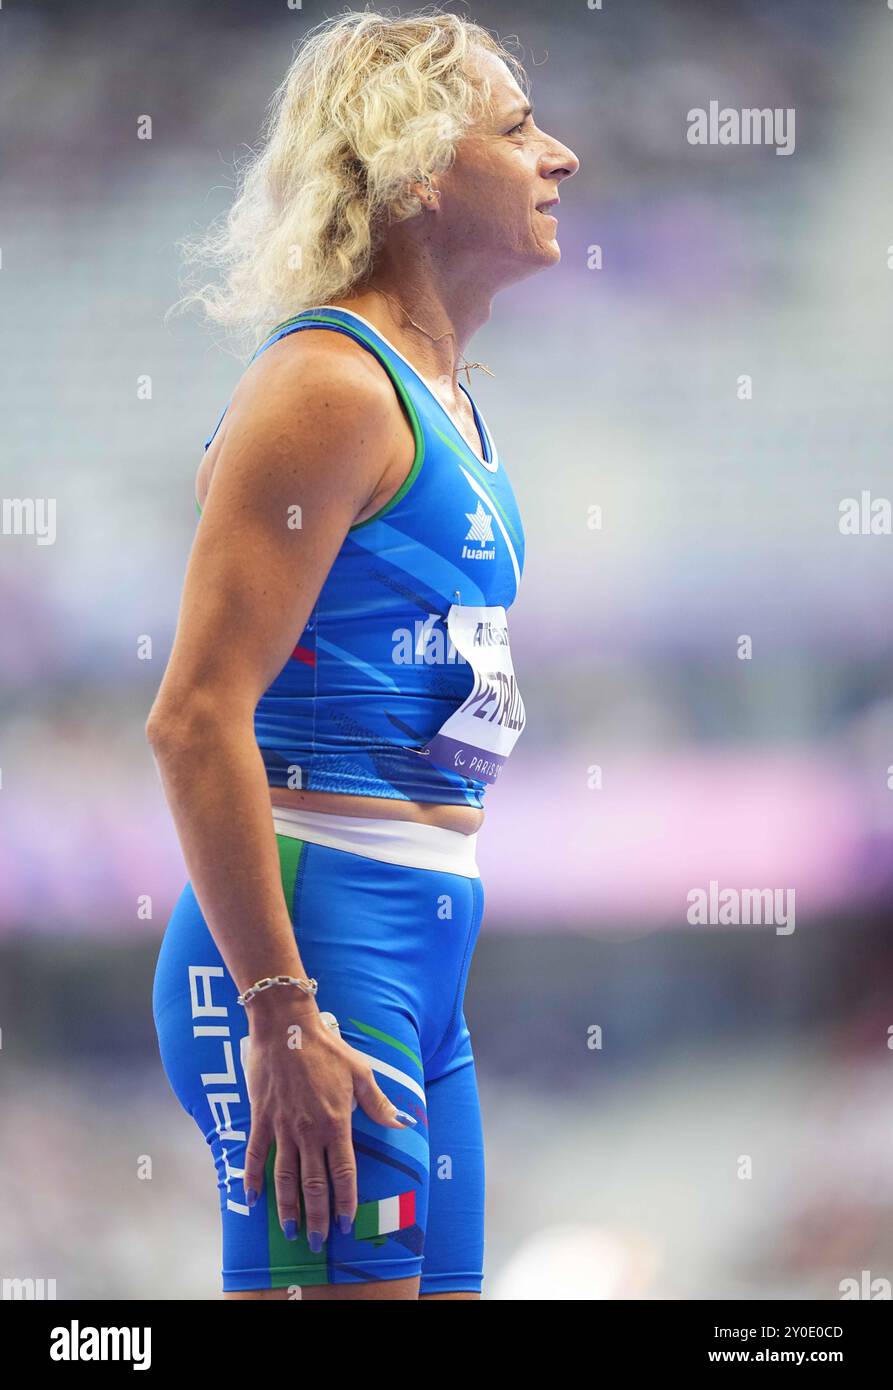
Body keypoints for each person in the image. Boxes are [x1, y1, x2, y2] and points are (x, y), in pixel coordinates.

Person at [149, 7, 578, 1301]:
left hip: (418, 950)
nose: (560, 157)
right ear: (418, 173)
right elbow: (193, 716)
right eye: (518, 131)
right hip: (314, 949)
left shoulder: (449, 401)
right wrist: (278, 1008)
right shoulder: (327, 387)